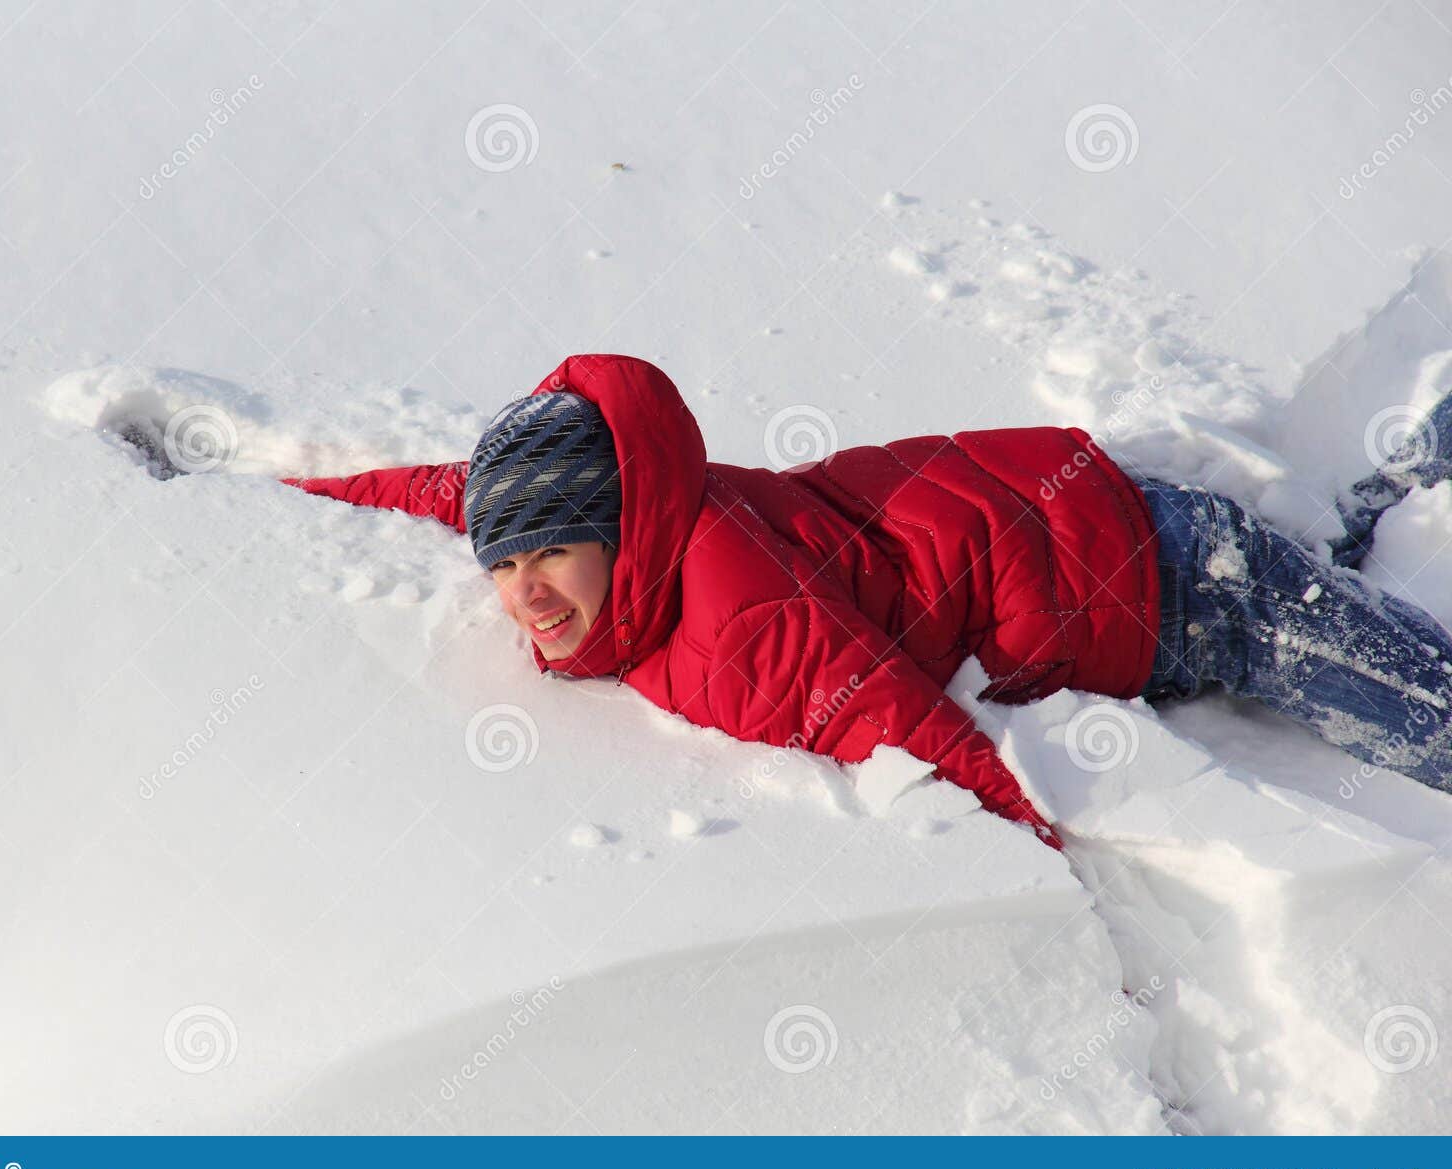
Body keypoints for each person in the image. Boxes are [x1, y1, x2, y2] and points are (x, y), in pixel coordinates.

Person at [283, 354, 1452, 850]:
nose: (522, 588)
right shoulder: (642, 511)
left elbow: (910, 723)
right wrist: (279, 493)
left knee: (1417, 701)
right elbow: (452, 492)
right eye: (503, 560)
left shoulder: (733, 623)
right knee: (1332, 569)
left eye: (550, 553)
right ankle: (1400, 485)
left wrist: (1036, 845)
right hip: (1086, 531)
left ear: (621, 525)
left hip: (1168, 580)